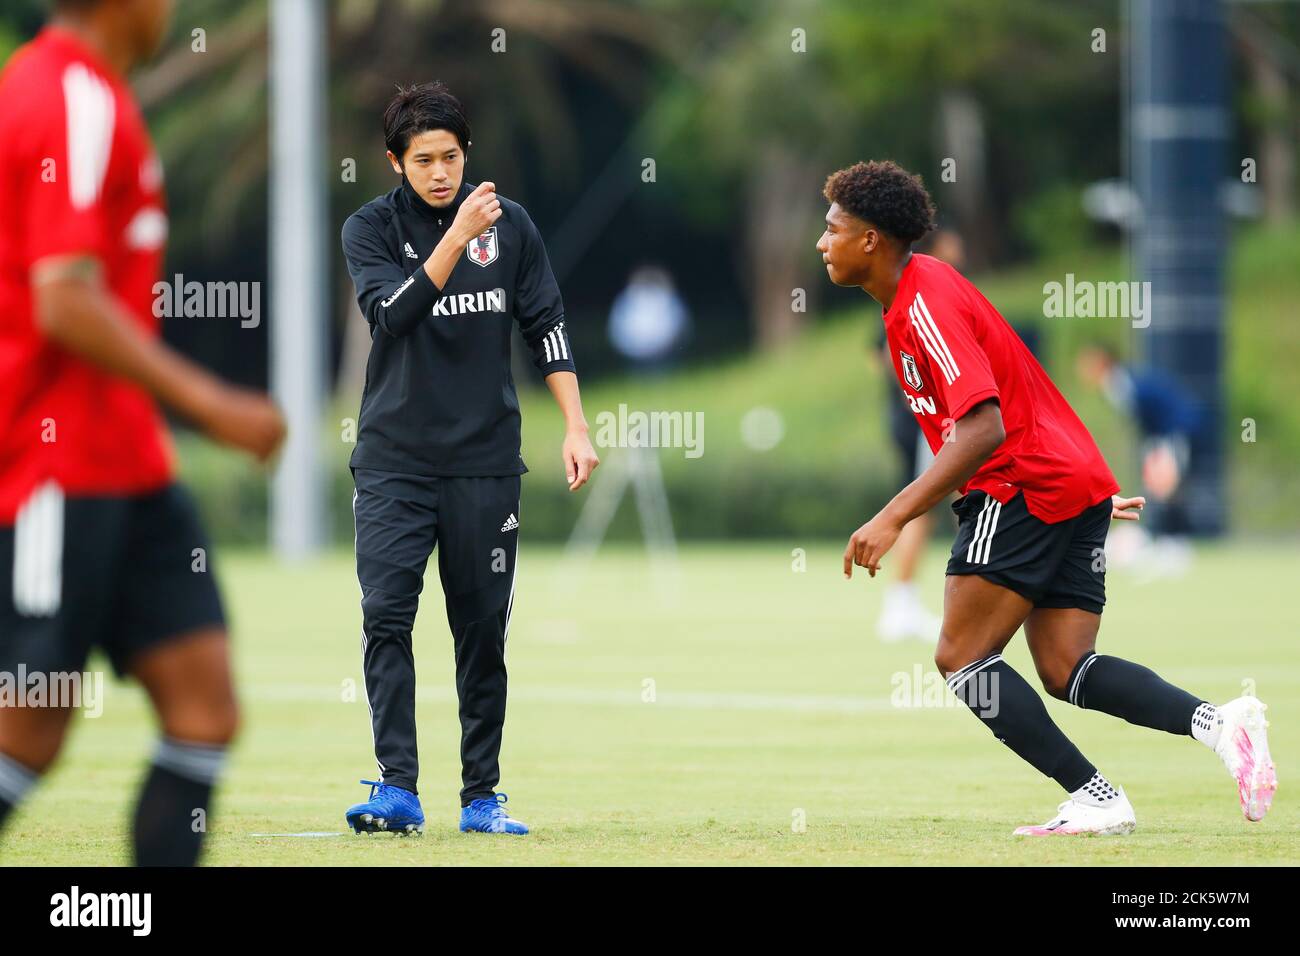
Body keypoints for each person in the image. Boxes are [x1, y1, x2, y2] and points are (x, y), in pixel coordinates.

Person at [817, 160, 1275, 835]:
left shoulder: (923, 301)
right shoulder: (914, 301)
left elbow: (983, 427)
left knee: (961, 657)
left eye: (832, 229)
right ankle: (1221, 723)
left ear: (871, 241)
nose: (821, 243)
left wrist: (892, 515)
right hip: (1062, 482)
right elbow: (1015, 396)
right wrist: (1084, 495)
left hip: (1022, 484)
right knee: (1065, 667)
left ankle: (1096, 797)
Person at [0, 0, 285, 865]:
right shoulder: (67, 97)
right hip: (54, 467)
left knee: (205, 707)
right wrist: (211, 403)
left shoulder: (97, 95)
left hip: (127, 465)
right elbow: (63, 296)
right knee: (29, 732)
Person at [340, 82, 599, 836]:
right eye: (422, 160)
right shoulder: (370, 230)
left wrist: (576, 424)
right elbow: (394, 317)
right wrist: (454, 238)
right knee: (386, 615)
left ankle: (481, 796)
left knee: (481, 629)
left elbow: (546, 323)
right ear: (395, 162)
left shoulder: (511, 227)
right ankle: (397, 788)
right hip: (393, 463)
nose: (440, 173)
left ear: (467, 153)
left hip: (486, 464)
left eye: (451, 157)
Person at [1077, 342, 1204, 574]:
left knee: (1167, 488)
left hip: (1174, 432)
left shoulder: (1118, 383)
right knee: (1164, 489)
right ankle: (1169, 543)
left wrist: (1159, 448)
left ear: (1104, 361)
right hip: (1165, 435)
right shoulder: (1121, 381)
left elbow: (1152, 413)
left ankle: (1175, 545)